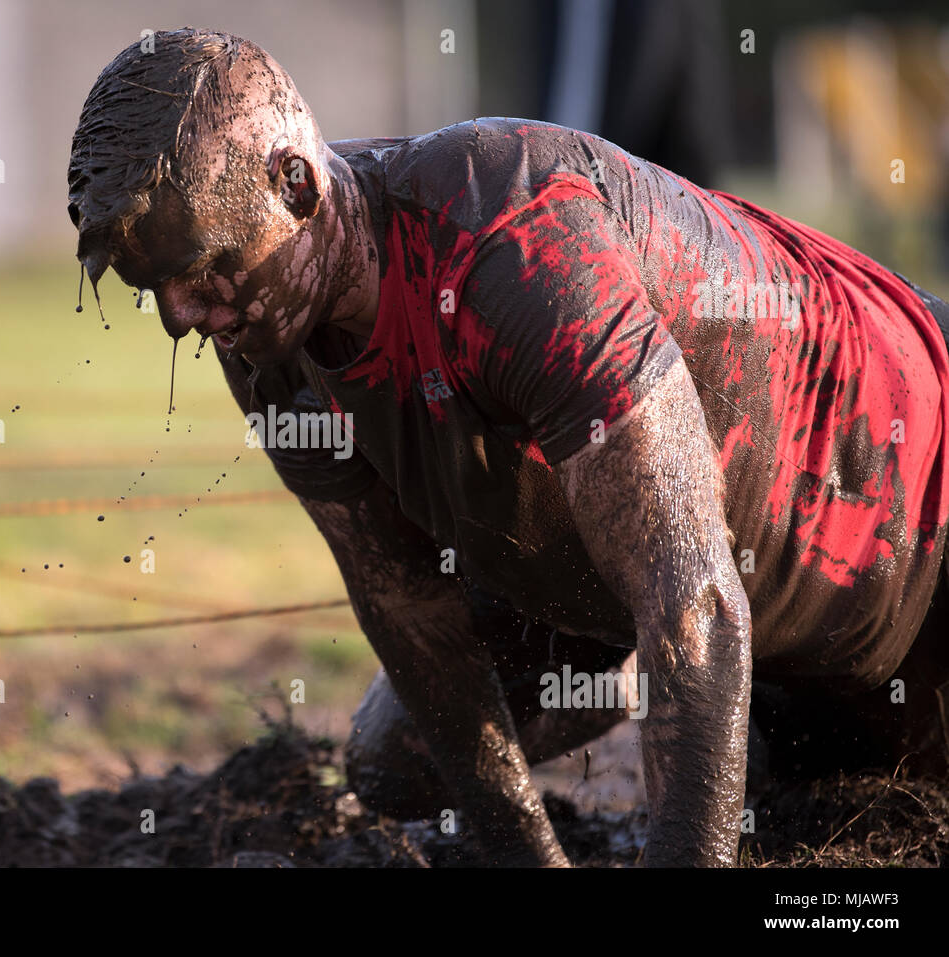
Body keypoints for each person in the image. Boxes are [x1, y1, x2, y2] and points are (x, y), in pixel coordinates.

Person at [67, 29, 949, 866]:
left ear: (297, 186)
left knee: (859, 782)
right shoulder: (264, 337)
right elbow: (414, 615)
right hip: (658, 593)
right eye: (160, 289)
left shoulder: (512, 243)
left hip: (911, 548)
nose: (183, 316)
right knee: (395, 764)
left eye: (206, 267)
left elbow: (697, 607)